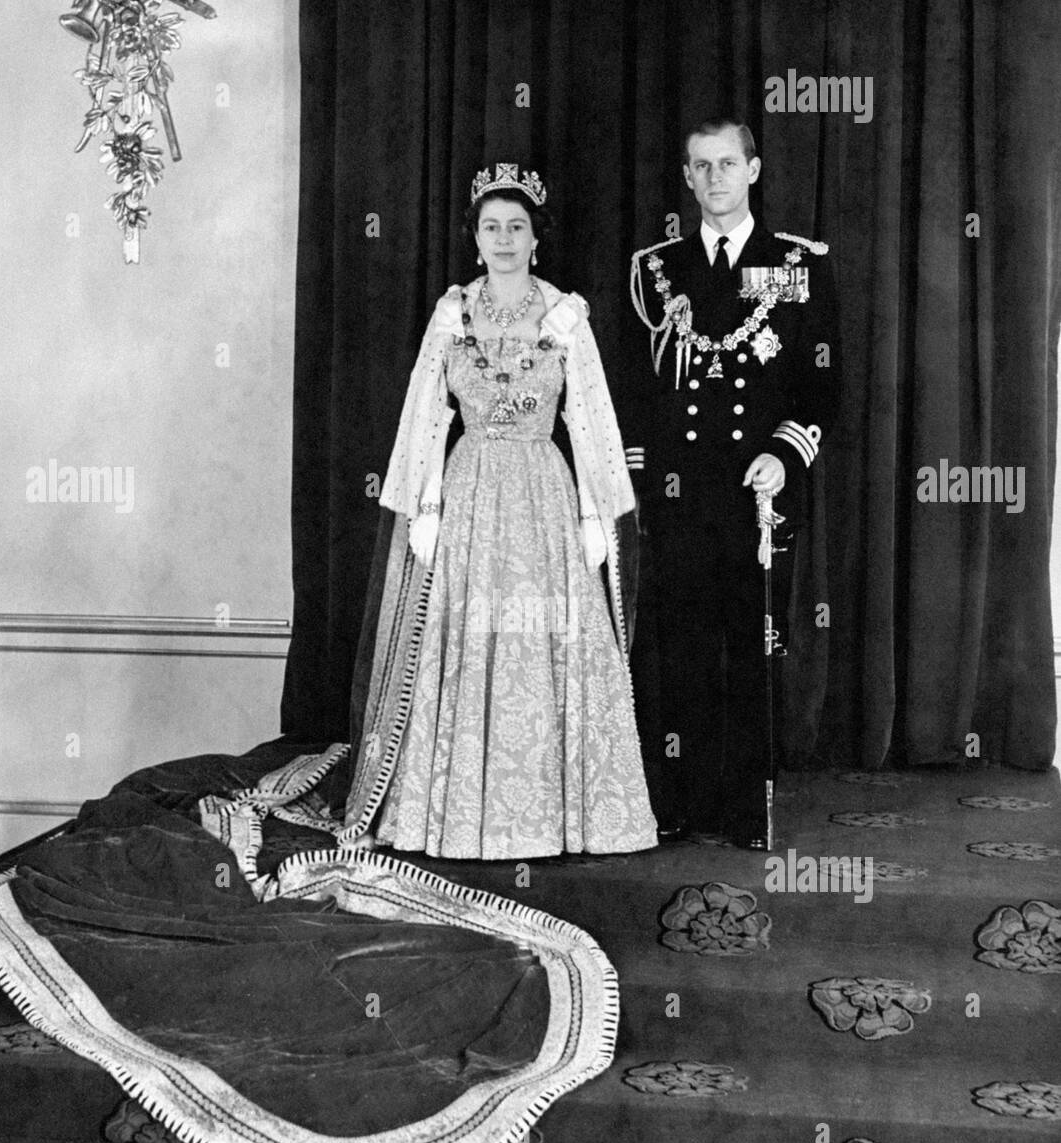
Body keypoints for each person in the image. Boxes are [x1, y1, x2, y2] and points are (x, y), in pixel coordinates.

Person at [342, 163, 656, 860]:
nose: (504, 239)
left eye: (517, 227)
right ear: (475, 239)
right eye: (492, 227)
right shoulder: (451, 314)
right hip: (471, 490)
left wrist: (594, 514)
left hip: (543, 493)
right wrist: (424, 503)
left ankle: (559, 816)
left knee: (545, 640)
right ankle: (453, 815)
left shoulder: (565, 315)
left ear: (535, 239)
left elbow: (591, 418)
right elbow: (425, 413)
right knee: (466, 636)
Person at [626, 120, 840, 850]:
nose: (714, 178)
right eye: (700, 167)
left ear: (752, 169)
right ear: (686, 179)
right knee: (679, 648)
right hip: (679, 490)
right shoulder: (658, 269)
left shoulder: (792, 264)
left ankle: (749, 807)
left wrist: (786, 454)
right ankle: (683, 804)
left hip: (758, 492)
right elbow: (636, 391)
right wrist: (640, 483)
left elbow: (819, 382)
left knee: (752, 648)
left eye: (727, 163)